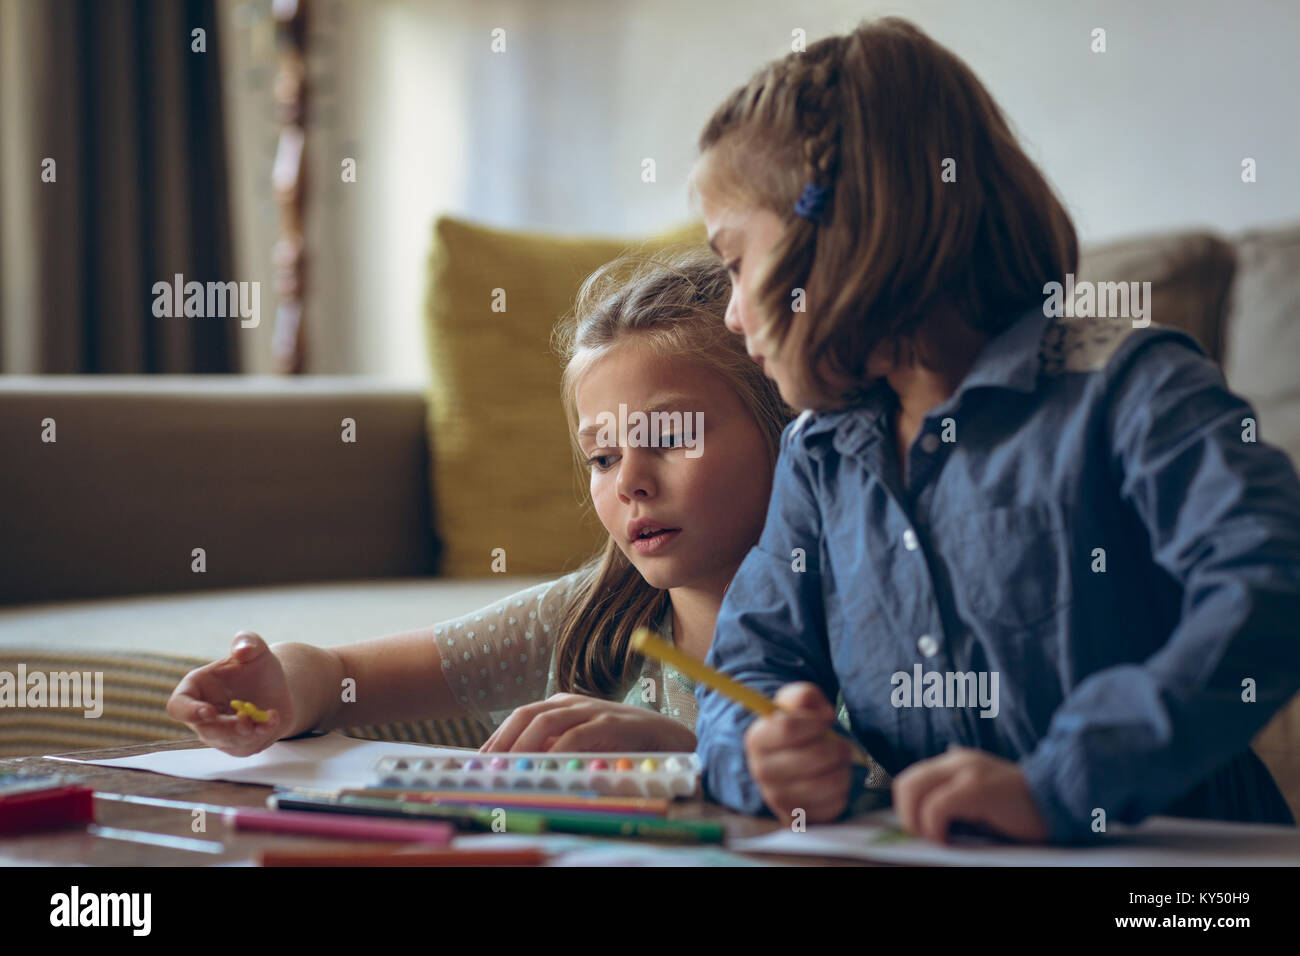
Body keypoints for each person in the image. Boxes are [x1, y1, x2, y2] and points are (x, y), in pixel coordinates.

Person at [691, 17, 1300, 843]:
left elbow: (1269, 586)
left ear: (840, 232)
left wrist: (1065, 782)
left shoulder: (1131, 389)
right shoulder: (820, 455)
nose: (731, 315)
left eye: (734, 263)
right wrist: (756, 749)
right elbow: (748, 666)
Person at [168, 249, 847, 760]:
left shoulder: (868, 624)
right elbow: (343, 677)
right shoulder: (584, 620)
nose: (628, 482)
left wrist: (689, 759)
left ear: (792, 434)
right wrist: (280, 684)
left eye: (669, 438)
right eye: (602, 458)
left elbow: (892, 795)